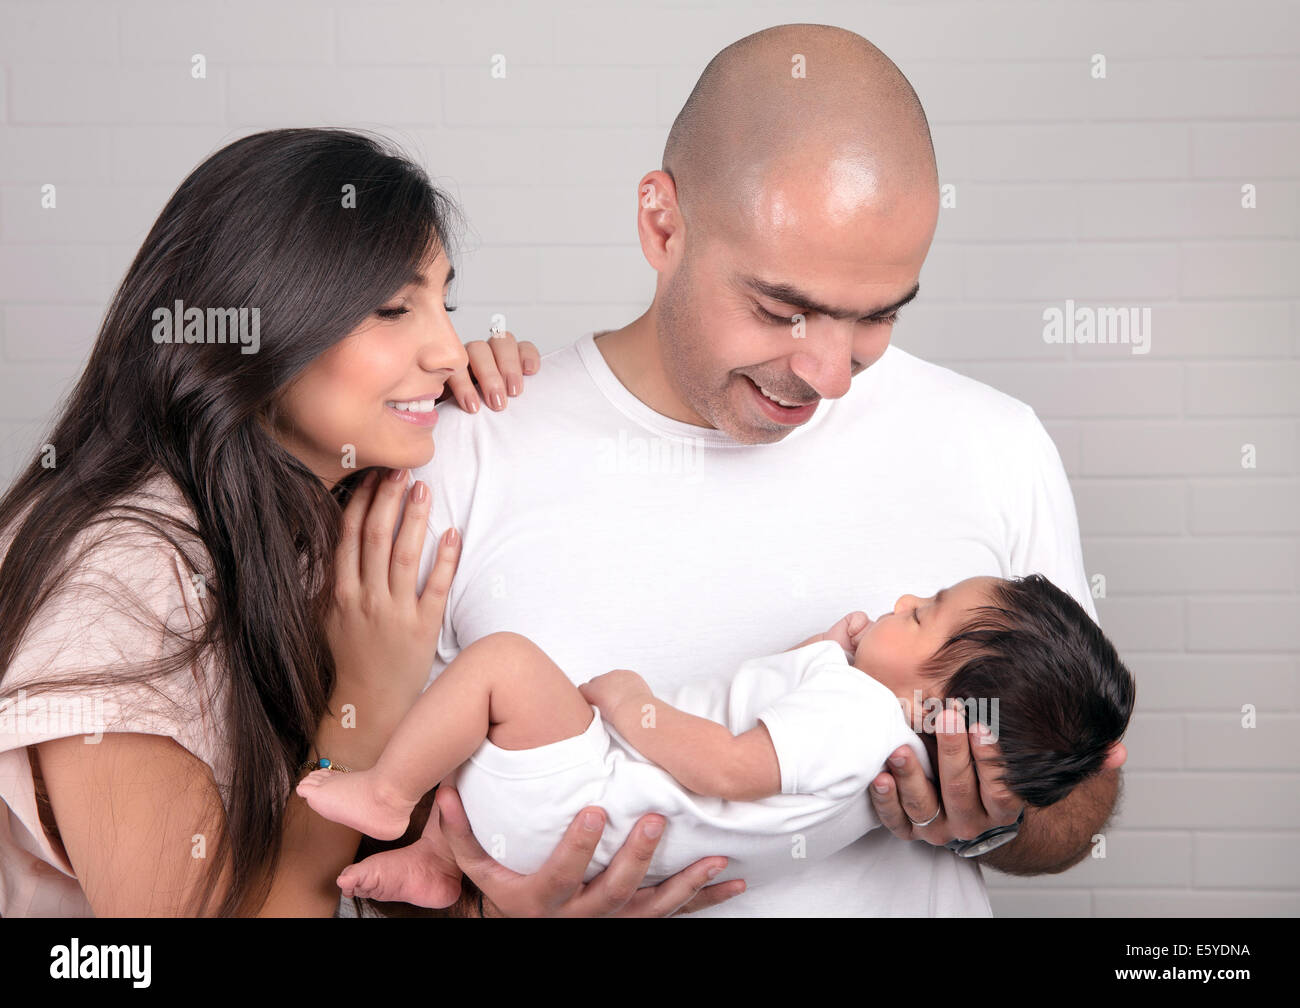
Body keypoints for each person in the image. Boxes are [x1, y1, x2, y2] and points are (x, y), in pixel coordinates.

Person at [369, 23, 1127, 917]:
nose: (832, 376)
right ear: (663, 224)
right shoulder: (468, 446)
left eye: (878, 317)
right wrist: (487, 915)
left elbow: (1080, 796)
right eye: (782, 310)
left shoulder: (997, 446)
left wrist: (988, 816)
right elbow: (367, 826)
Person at [0, 127, 737, 917]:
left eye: (442, 303)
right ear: (251, 326)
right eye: (392, 308)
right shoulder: (121, 582)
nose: (452, 349)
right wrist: (361, 710)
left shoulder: (324, 513)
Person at [299, 573, 1134, 899]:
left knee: (505, 666)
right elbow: (779, 729)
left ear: (937, 710)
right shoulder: (864, 730)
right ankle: (437, 865)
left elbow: (736, 768)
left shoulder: (856, 718)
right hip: (575, 846)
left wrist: (633, 706)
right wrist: (827, 654)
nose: (907, 595)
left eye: (922, 615)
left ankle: (386, 793)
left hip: (589, 789)